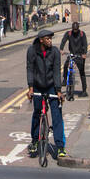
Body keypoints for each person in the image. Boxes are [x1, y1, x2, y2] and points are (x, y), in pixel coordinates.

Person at [25, 29, 67, 160]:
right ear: (41, 40)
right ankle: (35, 141)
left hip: (51, 86)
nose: (50, 41)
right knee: (37, 112)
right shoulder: (32, 51)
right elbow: (30, 69)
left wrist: (59, 91)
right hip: (37, 85)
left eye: (51, 38)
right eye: (47, 39)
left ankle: (60, 146)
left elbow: (56, 71)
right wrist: (31, 88)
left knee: (57, 115)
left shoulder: (54, 52)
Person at [60, 21, 89, 96]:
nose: (75, 31)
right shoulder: (69, 33)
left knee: (82, 72)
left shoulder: (82, 34)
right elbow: (63, 41)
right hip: (72, 53)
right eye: (74, 30)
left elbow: (85, 44)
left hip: (80, 55)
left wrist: (84, 53)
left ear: (78, 29)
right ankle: (65, 79)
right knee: (66, 65)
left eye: (76, 30)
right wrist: (61, 49)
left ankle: (84, 90)